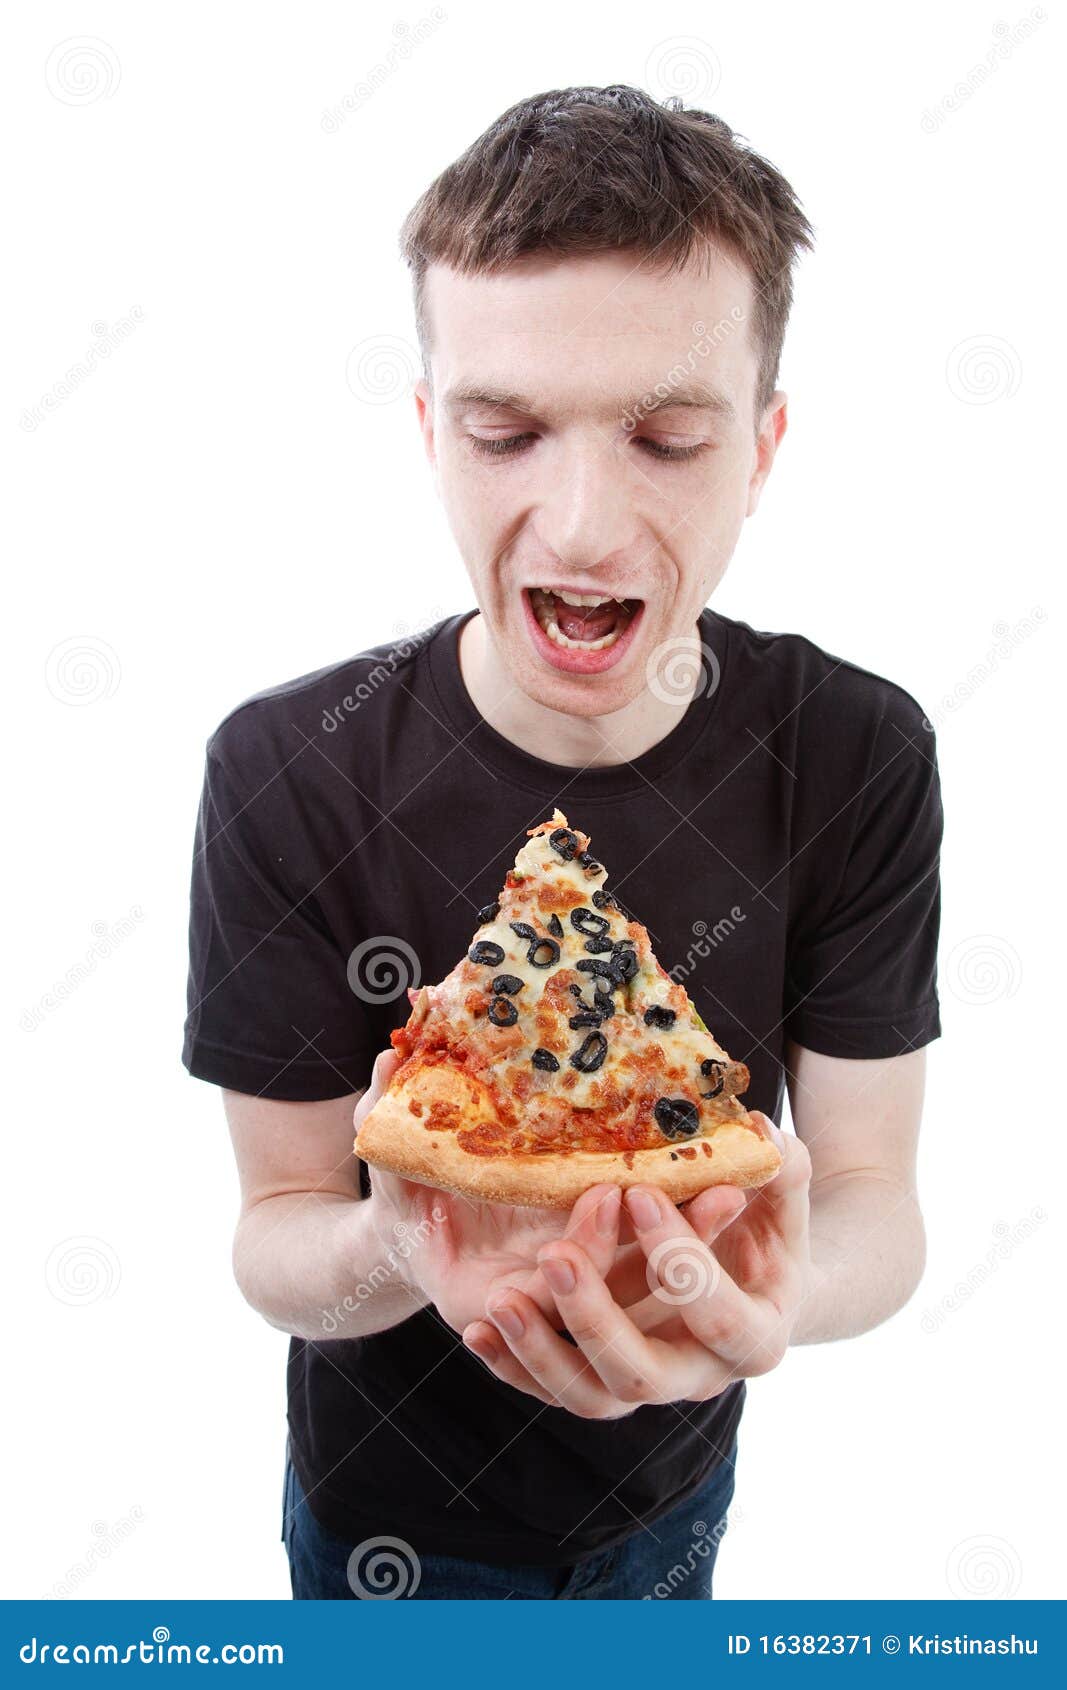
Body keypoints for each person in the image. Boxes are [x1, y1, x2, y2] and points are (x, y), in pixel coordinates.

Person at [182, 85, 942, 1601]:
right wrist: (396, 1245)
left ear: (765, 446)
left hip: (679, 1498)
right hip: (375, 1536)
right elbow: (276, 1230)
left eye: (666, 437)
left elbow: (872, 1194)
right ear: (428, 434)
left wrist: (779, 1300)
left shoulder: (854, 753)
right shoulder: (284, 767)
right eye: (506, 430)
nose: (583, 525)